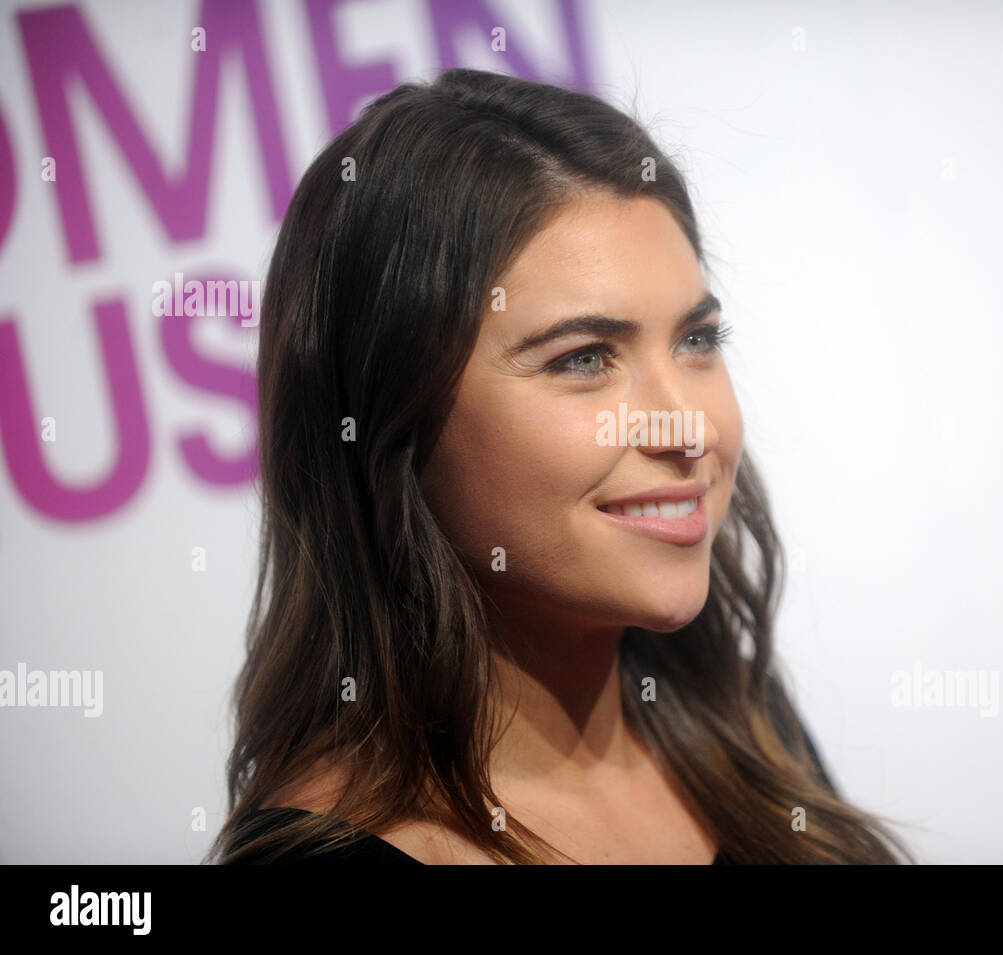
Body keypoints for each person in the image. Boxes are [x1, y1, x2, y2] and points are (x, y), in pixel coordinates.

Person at [207, 67, 912, 865]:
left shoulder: (743, 733)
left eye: (696, 340)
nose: (686, 425)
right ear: (386, 422)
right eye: (583, 359)